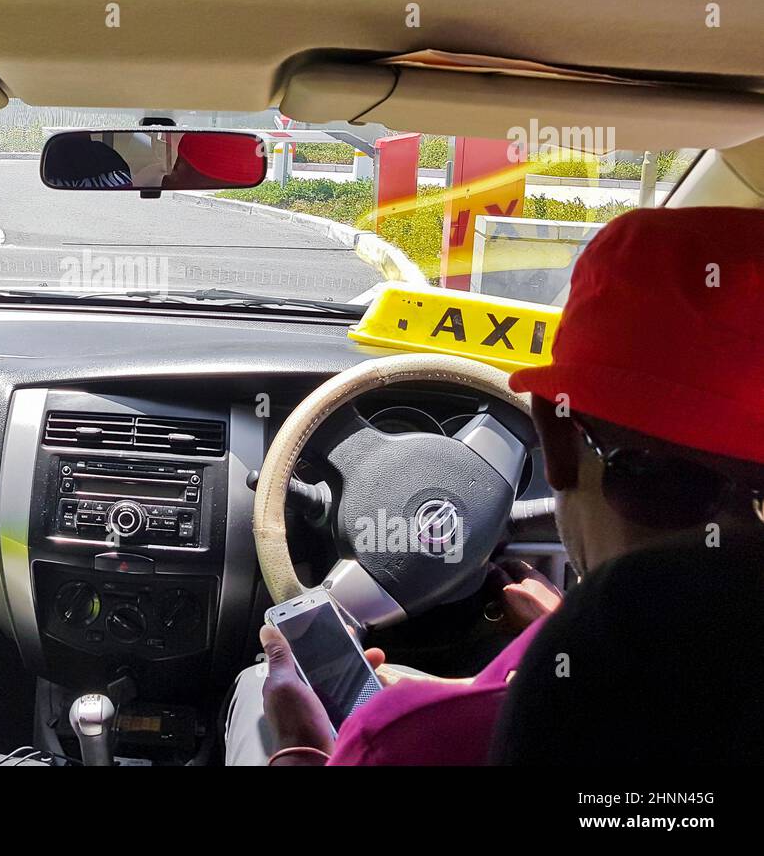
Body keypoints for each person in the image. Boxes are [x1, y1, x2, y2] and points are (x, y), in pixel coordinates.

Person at [227, 206, 764, 766]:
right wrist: (555, 639)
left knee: (259, 689)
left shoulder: (408, 740)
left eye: (658, 476)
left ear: (553, 439)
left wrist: (304, 749)